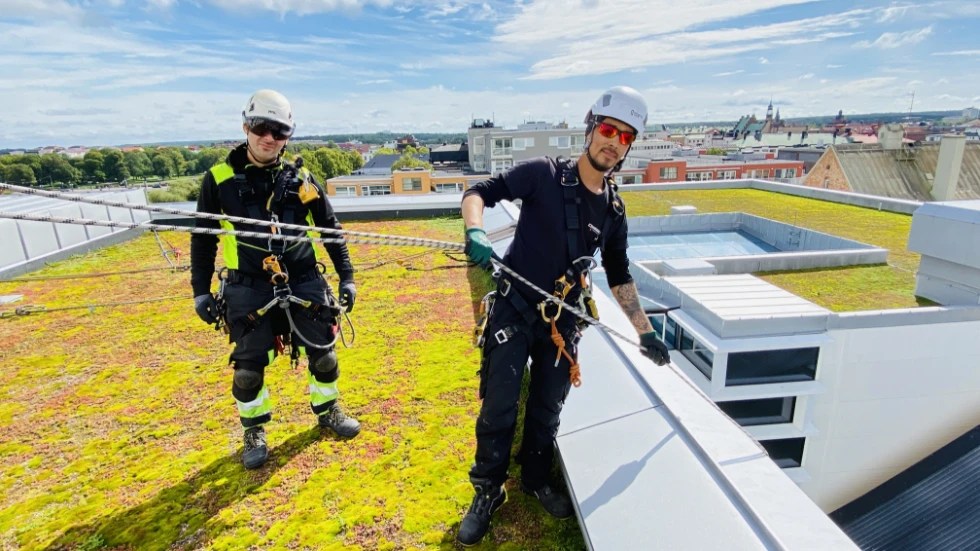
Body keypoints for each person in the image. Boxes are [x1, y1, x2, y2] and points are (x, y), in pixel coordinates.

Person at [456, 86, 670, 545]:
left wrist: (645, 331)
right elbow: (479, 192)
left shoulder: (613, 210)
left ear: (630, 147)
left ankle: (535, 477)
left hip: (561, 320)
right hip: (514, 307)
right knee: (499, 405)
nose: (614, 141)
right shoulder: (542, 175)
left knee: (547, 409)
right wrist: (475, 229)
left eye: (625, 137)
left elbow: (619, 274)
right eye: (609, 129)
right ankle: (487, 490)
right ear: (592, 128)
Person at [190, 89, 360, 470]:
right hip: (247, 287)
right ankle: (253, 430)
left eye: (279, 131)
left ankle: (328, 409)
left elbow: (330, 229)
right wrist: (200, 292)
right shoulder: (218, 180)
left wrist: (347, 277)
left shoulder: (301, 178)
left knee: (326, 358)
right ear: (246, 126)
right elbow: (203, 240)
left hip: (303, 279)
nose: (269, 137)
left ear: (288, 136)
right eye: (261, 127)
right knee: (248, 374)